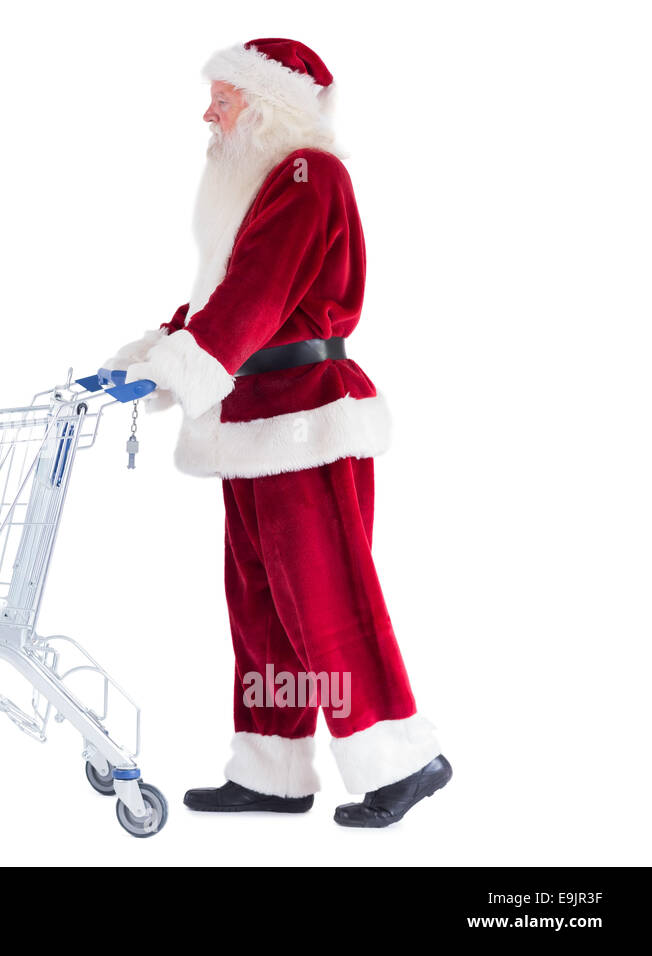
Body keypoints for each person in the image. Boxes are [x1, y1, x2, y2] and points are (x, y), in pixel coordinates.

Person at [108, 38, 451, 827]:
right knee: (262, 603)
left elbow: (258, 296)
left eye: (222, 98)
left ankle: (402, 757)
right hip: (255, 415)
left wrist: (179, 367)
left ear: (265, 106)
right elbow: (224, 297)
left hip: (306, 416)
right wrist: (149, 355)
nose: (208, 114)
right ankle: (272, 766)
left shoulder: (306, 174)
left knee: (326, 595)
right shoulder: (262, 189)